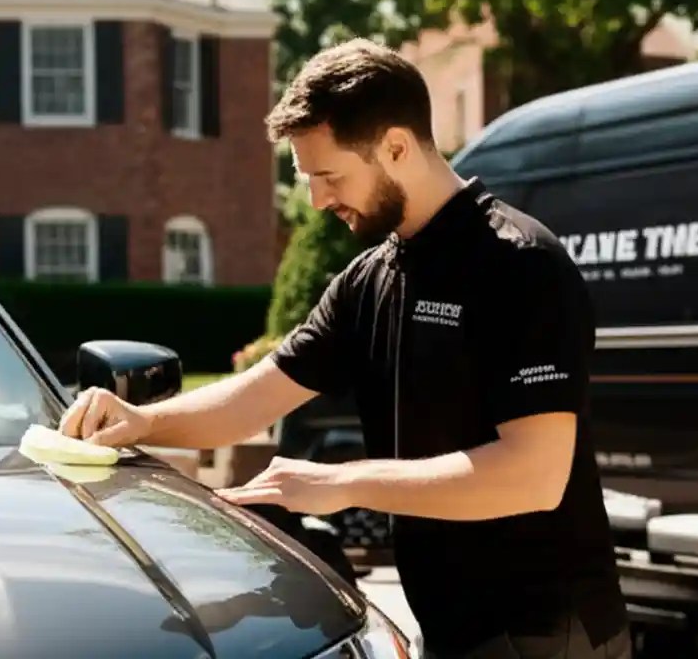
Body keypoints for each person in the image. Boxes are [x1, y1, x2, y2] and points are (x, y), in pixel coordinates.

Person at [59, 38, 631, 659]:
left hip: (546, 630)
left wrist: (341, 483)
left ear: (396, 147)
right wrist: (141, 422)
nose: (317, 201)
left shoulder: (519, 263)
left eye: (329, 176)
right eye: (308, 179)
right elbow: (255, 397)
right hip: (450, 626)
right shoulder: (369, 280)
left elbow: (534, 477)